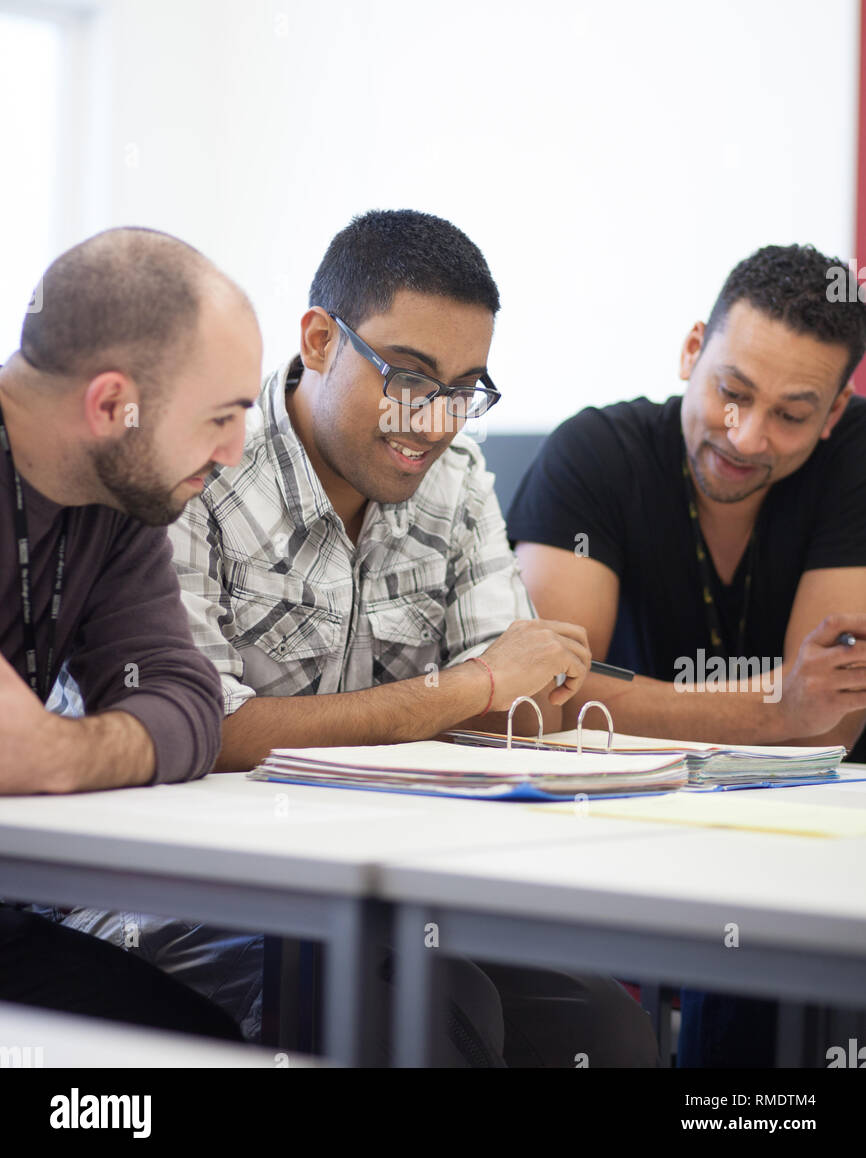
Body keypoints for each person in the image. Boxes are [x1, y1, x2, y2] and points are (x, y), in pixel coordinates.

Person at [66, 208, 658, 1067]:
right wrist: (467, 690)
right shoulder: (203, 462)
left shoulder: (453, 479)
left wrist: (501, 689)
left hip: (387, 890)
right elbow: (206, 727)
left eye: (463, 388)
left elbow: (521, 695)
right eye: (409, 376)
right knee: (429, 1012)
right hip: (185, 897)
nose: (436, 419)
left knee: (601, 1027)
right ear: (318, 340)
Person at [506, 242, 866, 1066]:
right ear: (691, 349)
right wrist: (776, 707)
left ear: (836, 415)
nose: (745, 436)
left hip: (828, 843)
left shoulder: (858, 462)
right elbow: (543, 701)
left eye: (791, 413)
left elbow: (830, 725)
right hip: (632, 830)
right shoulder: (593, 456)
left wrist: (782, 715)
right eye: (731, 392)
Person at [0, 226, 262, 1041]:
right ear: (113, 404)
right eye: (220, 417)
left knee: (206, 1041)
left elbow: (187, 702)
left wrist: (61, 753)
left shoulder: (118, 498)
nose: (234, 451)